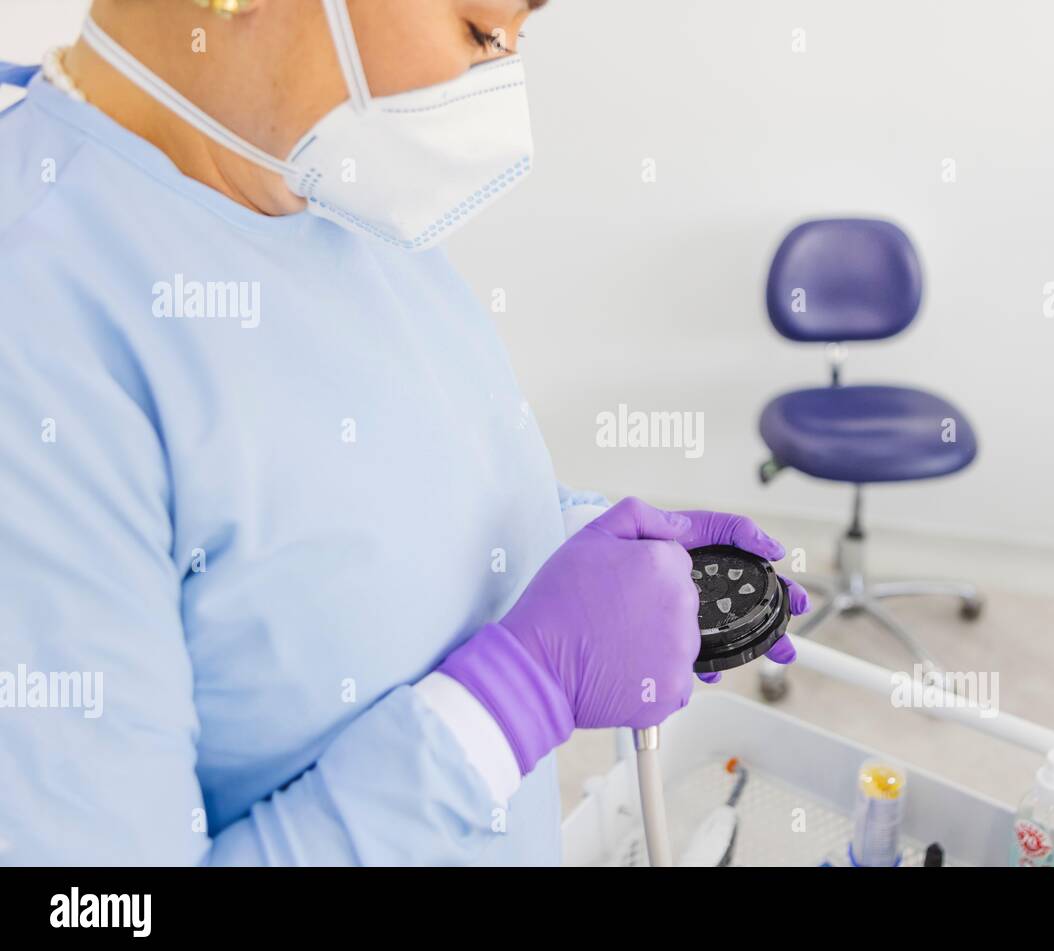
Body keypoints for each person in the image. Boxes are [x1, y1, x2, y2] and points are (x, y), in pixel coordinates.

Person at [0, 0, 806, 865]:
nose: (498, 83)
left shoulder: (328, 183)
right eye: (477, 31)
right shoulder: (41, 324)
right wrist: (517, 696)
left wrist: (587, 555)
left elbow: (392, 513)